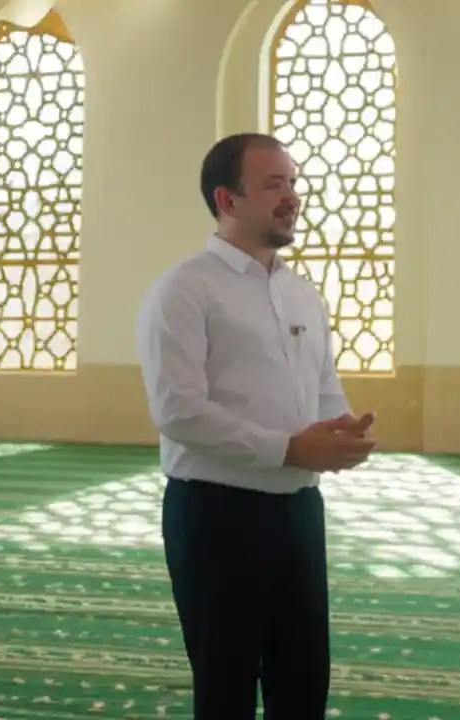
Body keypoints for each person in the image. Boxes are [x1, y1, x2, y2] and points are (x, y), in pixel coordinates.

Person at [135, 132, 377, 719]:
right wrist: (290, 447)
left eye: (292, 183)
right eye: (274, 185)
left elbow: (322, 385)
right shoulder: (184, 291)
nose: (291, 197)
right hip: (218, 516)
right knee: (227, 687)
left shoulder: (301, 294)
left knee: (302, 683)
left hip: (297, 511)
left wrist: (338, 432)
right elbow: (178, 411)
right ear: (228, 199)